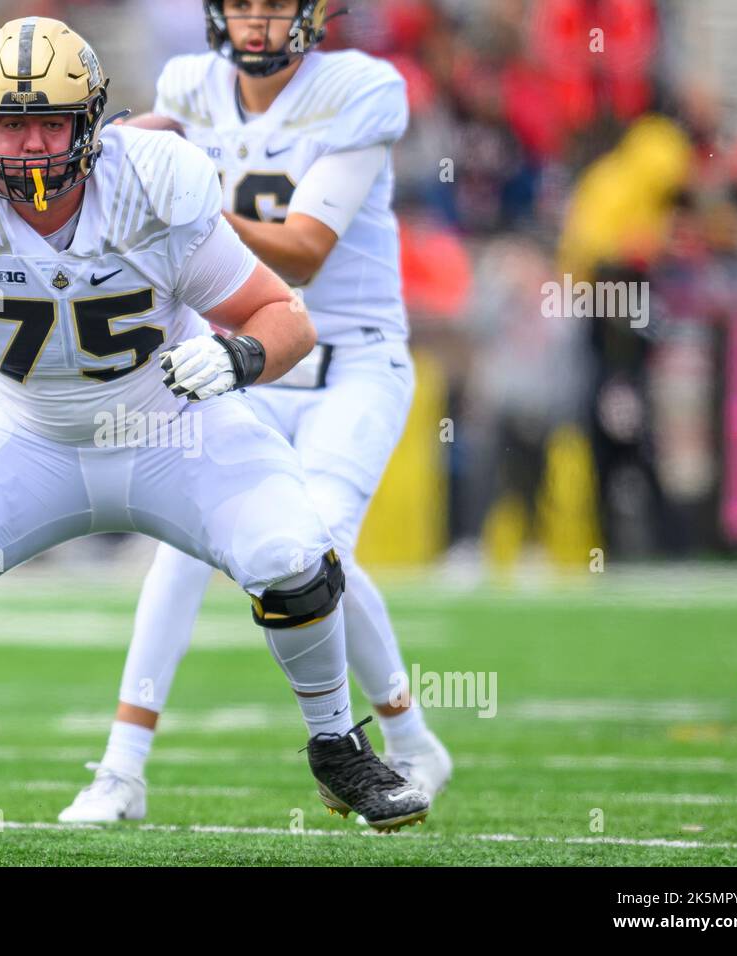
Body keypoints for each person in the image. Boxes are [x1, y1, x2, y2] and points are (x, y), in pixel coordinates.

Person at [0, 15, 428, 854]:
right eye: (9, 123)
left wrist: (239, 358)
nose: (30, 146)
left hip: (174, 423)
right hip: (34, 435)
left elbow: (283, 316)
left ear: (92, 124)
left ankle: (336, 745)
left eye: (50, 122)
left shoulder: (156, 181)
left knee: (294, 554)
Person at [59, 0, 451, 825]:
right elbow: (129, 164)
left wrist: (188, 208)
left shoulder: (361, 86)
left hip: (352, 362)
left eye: (276, 6)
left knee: (316, 550)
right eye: (242, 5)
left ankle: (409, 740)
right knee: (180, 545)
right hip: (249, 364)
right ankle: (121, 770)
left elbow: (306, 247)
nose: (258, 22)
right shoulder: (189, 85)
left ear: (314, 14)